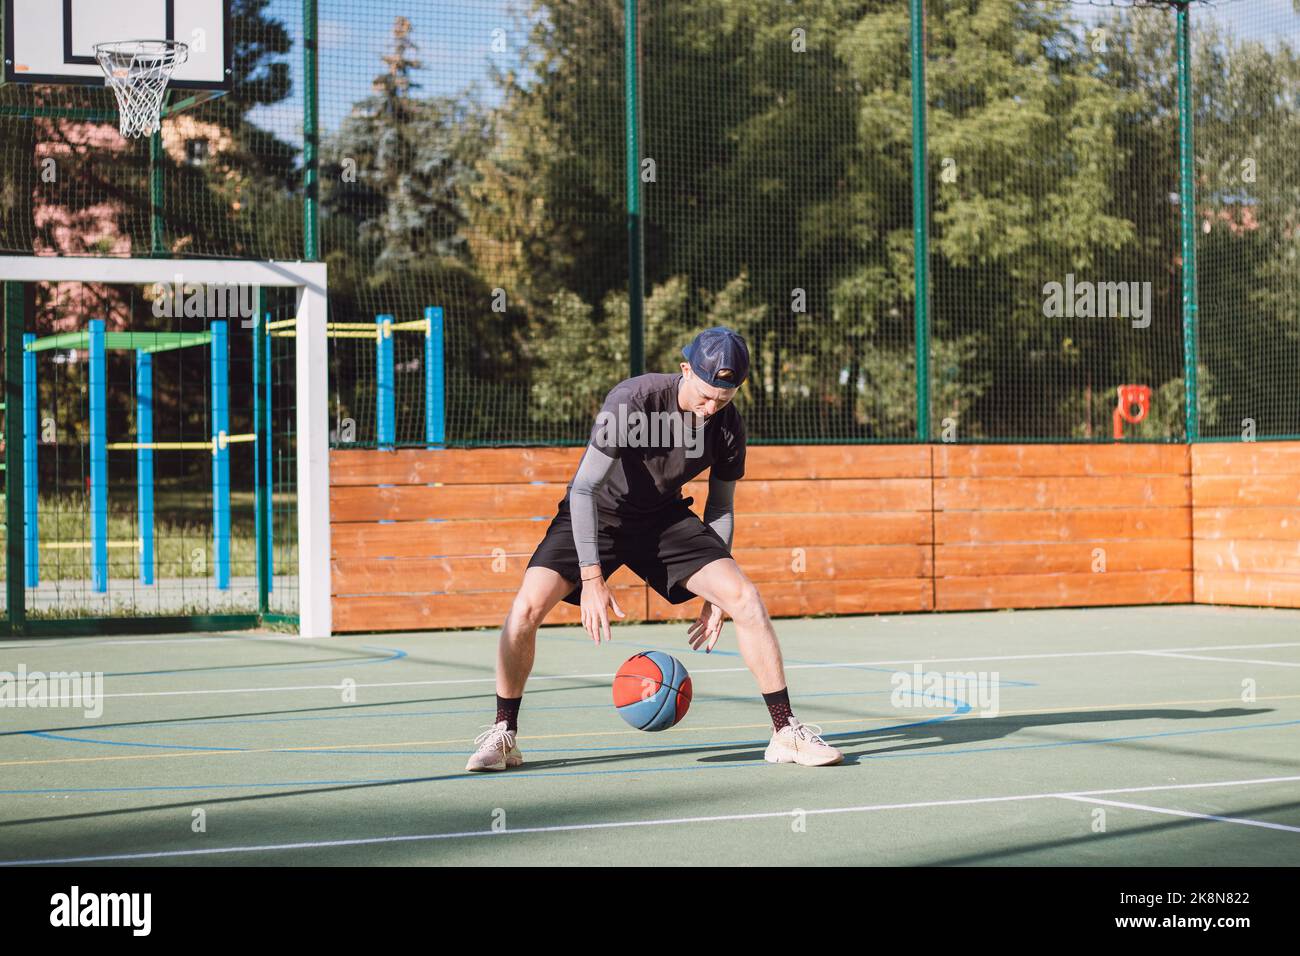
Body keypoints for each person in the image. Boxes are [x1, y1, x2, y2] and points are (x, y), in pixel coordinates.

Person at [466, 327, 843, 771]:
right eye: (706, 396)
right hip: (596, 513)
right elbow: (585, 488)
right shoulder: (633, 400)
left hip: (662, 519)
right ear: (686, 369)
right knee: (525, 608)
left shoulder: (726, 425)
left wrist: (713, 597)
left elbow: (720, 507)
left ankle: (785, 733)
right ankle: (504, 734)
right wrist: (591, 578)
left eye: (724, 399)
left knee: (744, 597)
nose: (711, 408)